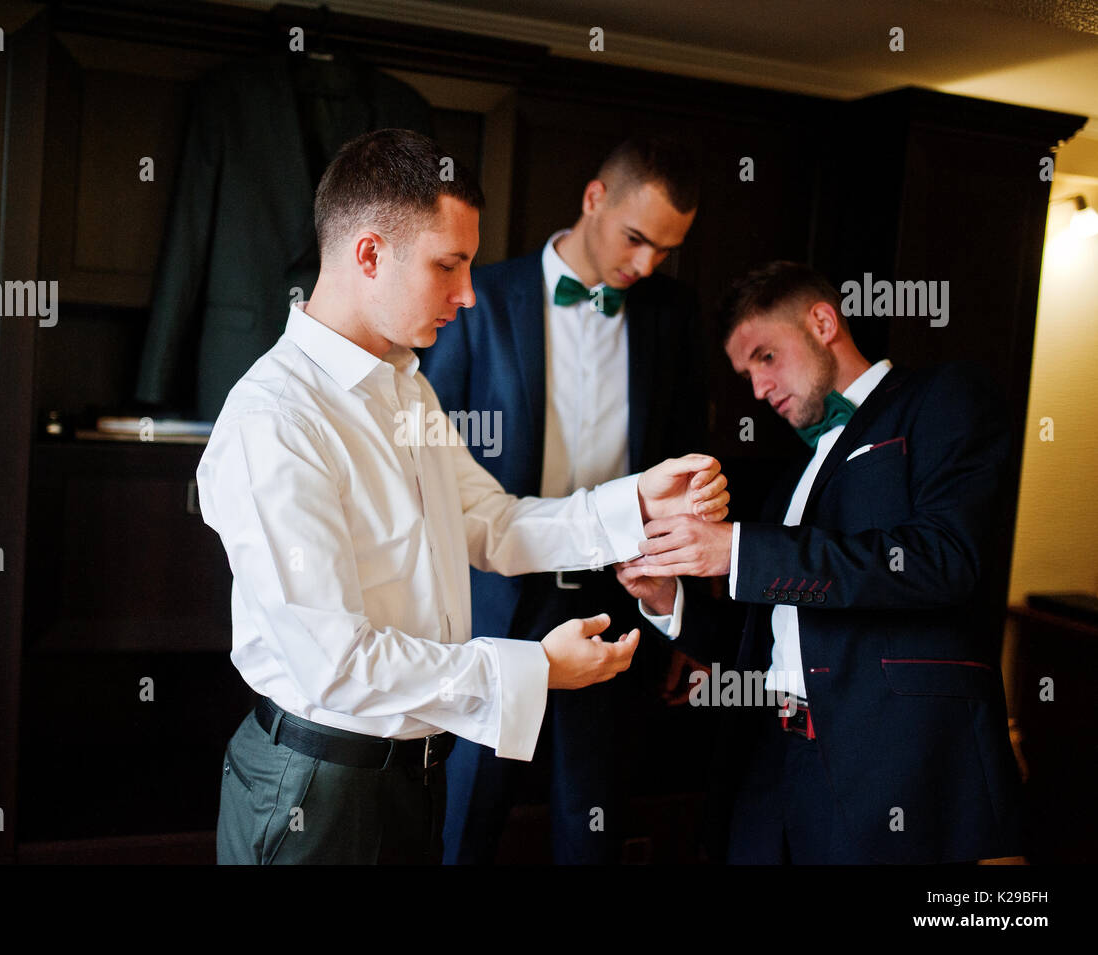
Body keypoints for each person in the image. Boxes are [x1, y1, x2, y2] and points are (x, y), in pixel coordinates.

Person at [195, 128, 730, 865]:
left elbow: (492, 519)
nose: (469, 293)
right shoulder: (275, 421)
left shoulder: (407, 385)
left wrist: (637, 501)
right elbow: (336, 663)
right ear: (370, 254)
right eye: (449, 265)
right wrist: (533, 668)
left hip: (415, 774)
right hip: (316, 789)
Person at [619, 260, 1023, 864]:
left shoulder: (944, 397)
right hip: (773, 766)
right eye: (745, 372)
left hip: (891, 766)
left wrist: (739, 549)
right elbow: (761, 641)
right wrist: (665, 600)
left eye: (764, 357)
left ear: (822, 321)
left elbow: (944, 560)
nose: (757, 389)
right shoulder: (789, 482)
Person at [419, 135, 706, 864]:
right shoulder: (478, 295)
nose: (644, 265)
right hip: (495, 600)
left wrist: (682, 622)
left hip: (618, 597)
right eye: (636, 238)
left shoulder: (672, 317)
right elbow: (426, 455)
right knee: (465, 822)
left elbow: (686, 475)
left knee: (595, 823)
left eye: (664, 251)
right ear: (592, 199)